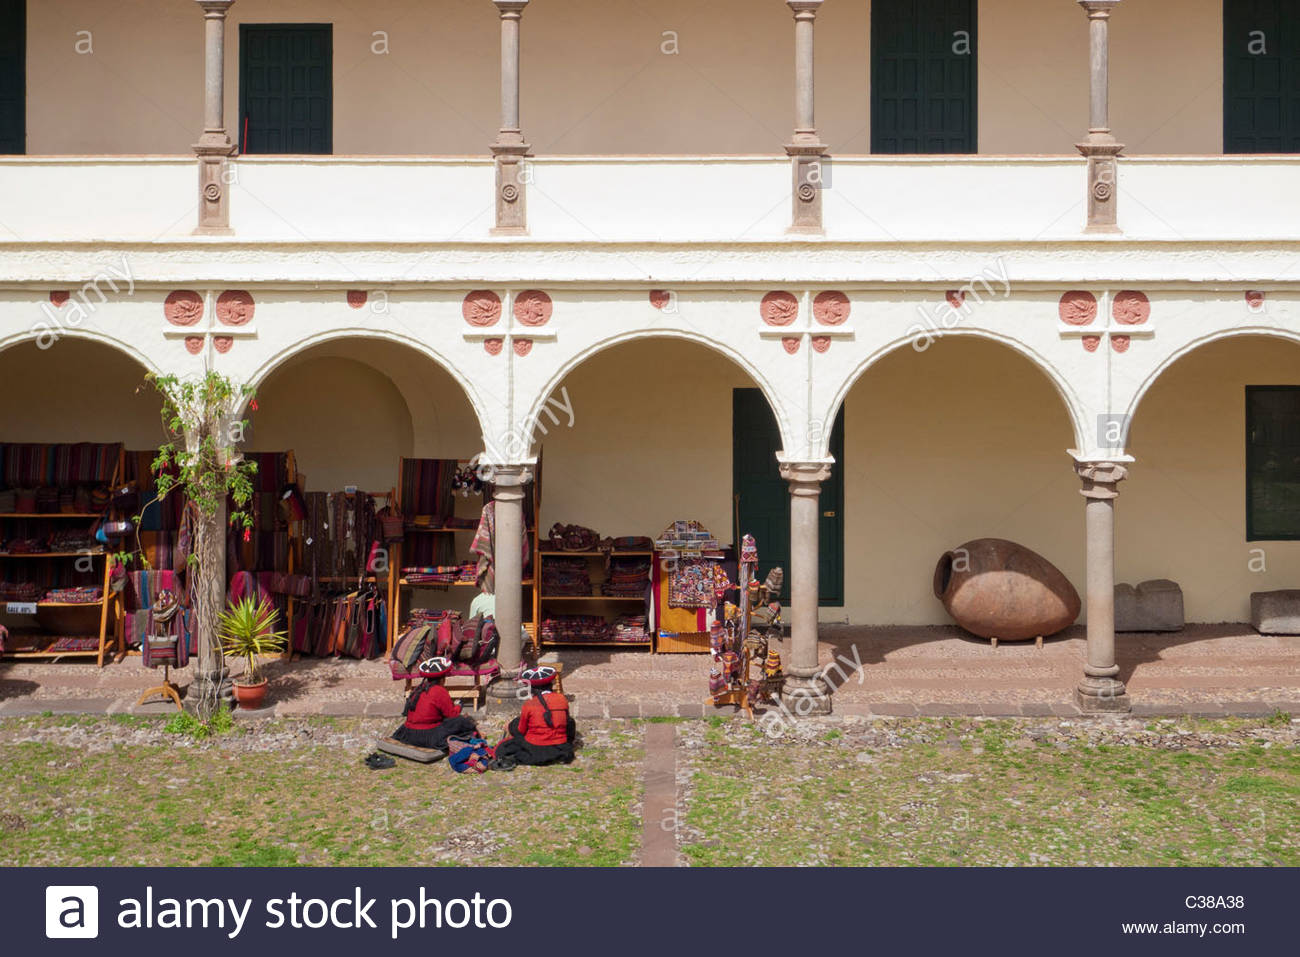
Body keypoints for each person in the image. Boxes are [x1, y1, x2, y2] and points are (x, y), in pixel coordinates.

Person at [492, 666, 576, 769]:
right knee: (571, 722)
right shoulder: (562, 699)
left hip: (536, 750)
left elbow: (521, 730)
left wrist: (510, 727)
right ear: (550, 685)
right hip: (560, 748)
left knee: (503, 747)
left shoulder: (529, 704)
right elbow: (566, 722)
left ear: (532, 688)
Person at [390, 657, 480, 751]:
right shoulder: (439, 691)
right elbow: (452, 715)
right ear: (442, 679)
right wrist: (458, 706)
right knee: (462, 721)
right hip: (426, 736)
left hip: (408, 733)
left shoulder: (419, 688)